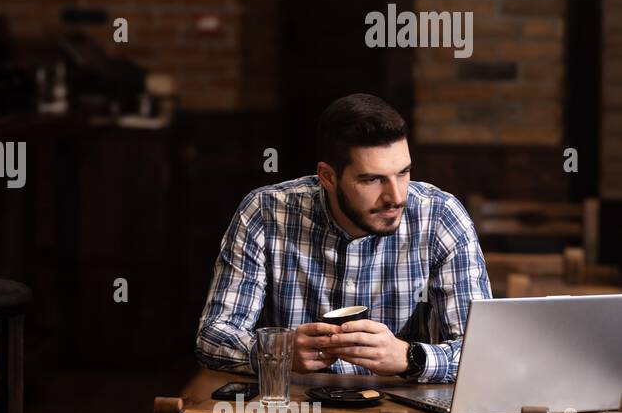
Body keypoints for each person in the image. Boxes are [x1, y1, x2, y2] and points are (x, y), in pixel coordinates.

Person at [196, 93, 491, 383]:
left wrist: (408, 357)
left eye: (403, 173)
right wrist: (280, 350)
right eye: (372, 179)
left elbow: (482, 354)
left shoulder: (440, 216)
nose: (396, 197)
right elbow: (212, 338)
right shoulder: (265, 213)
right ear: (327, 176)